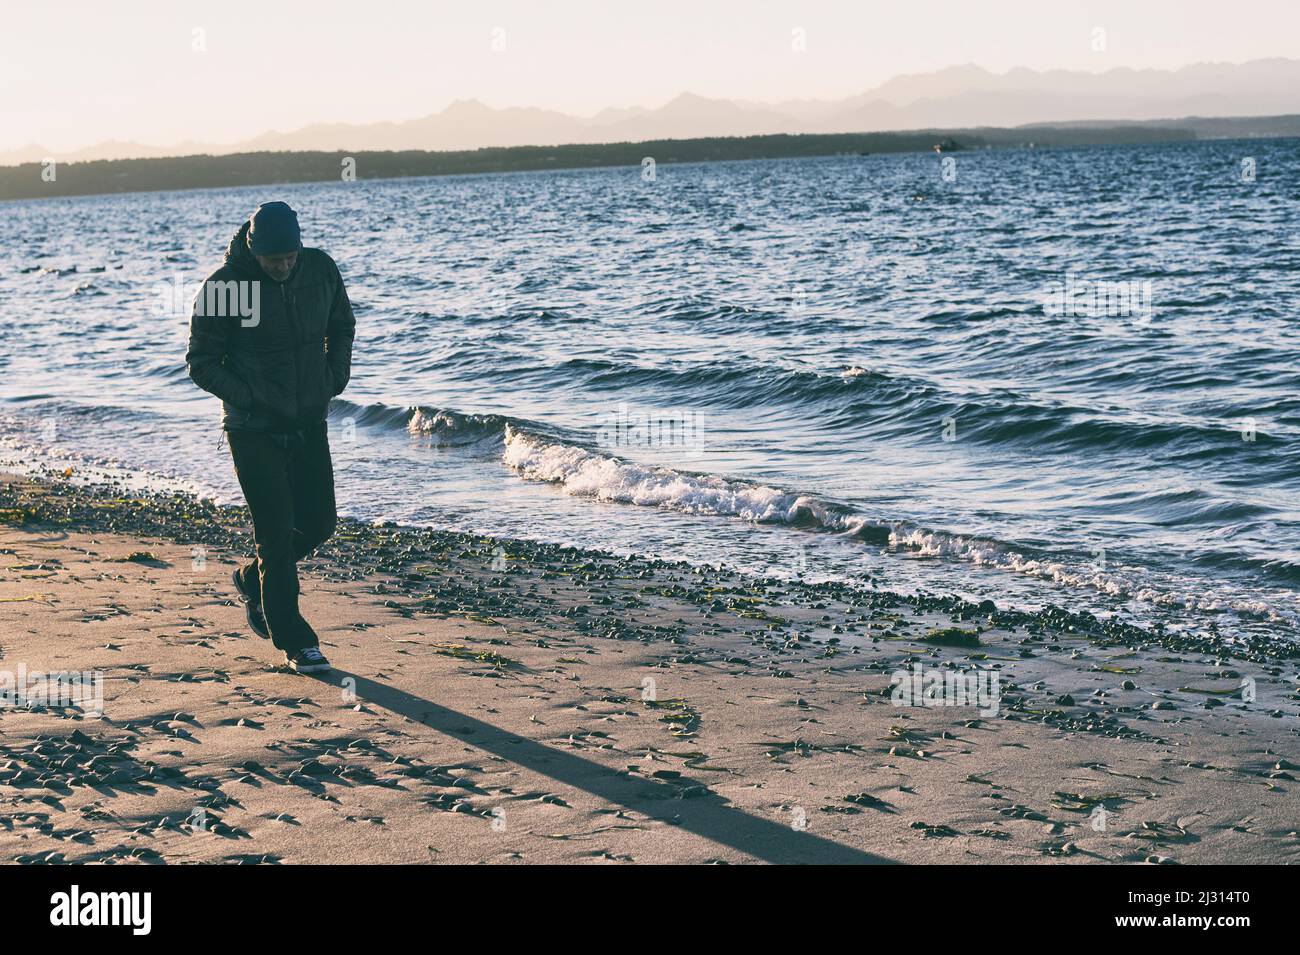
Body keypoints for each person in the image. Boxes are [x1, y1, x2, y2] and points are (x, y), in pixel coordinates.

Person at [185, 201, 355, 673]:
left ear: (300, 247)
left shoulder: (319, 270)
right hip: (253, 429)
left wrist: (334, 377)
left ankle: (251, 580)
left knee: (320, 523)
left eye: (289, 257)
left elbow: (342, 325)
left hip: (308, 420)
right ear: (254, 249)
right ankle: (297, 642)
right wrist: (253, 399)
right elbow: (201, 362)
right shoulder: (225, 287)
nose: (282, 267)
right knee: (276, 534)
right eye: (272, 259)